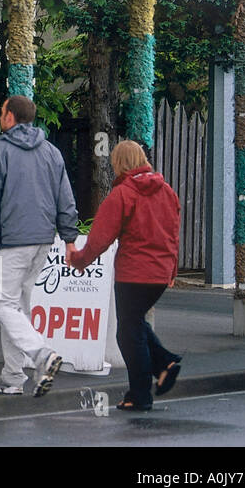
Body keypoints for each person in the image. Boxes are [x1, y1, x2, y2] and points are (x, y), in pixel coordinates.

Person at [0, 95, 79, 396]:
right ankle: (13, 376)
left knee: (2, 304)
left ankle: (41, 355)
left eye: (2, 111)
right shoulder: (51, 152)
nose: (0, 116)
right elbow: (65, 200)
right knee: (18, 308)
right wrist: (70, 239)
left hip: (12, 242)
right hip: (43, 240)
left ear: (10, 117)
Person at [67, 140, 181, 412]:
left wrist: (81, 260)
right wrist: (172, 270)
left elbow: (100, 237)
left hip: (133, 272)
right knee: (135, 324)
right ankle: (165, 362)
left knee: (128, 334)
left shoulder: (123, 194)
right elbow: (173, 234)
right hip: (160, 272)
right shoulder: (168, 192)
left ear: (119, 163)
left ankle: (140, 395)